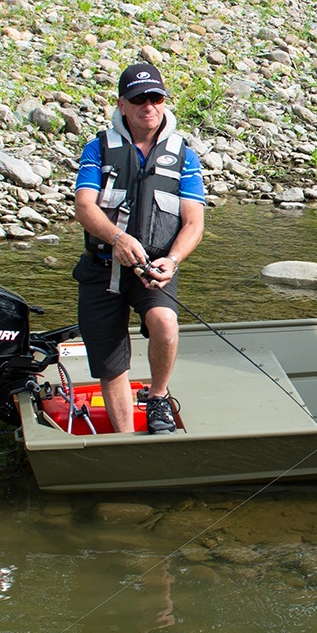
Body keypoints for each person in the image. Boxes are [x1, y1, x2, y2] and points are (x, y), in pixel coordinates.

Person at [71, 61, 206, 435]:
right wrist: (117, 238)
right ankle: (125, 437)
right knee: (111, 364)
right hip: (102, 268)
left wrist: (173, 260)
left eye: (156, 98)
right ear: (122, 104)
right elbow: (84, 206)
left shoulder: (184, 155)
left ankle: (158, 397)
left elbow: (194, 223)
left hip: (154, 269)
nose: (149, 106)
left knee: (165, 323)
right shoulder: (99, 148)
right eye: (139, 99)